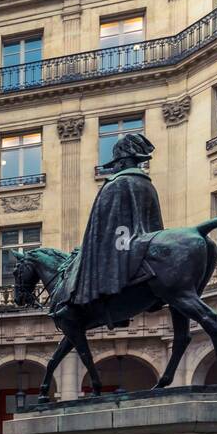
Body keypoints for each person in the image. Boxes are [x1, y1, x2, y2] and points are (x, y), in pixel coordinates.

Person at [66, 133, 164, 326]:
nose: (115, 167)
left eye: (117, 163)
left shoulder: (115, 184)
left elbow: (100, 228)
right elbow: (154, 223)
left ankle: (106, 302)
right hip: (144, 241)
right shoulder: (147, 185)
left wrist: (89, 252)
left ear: (124, 161)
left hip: (120, 245)